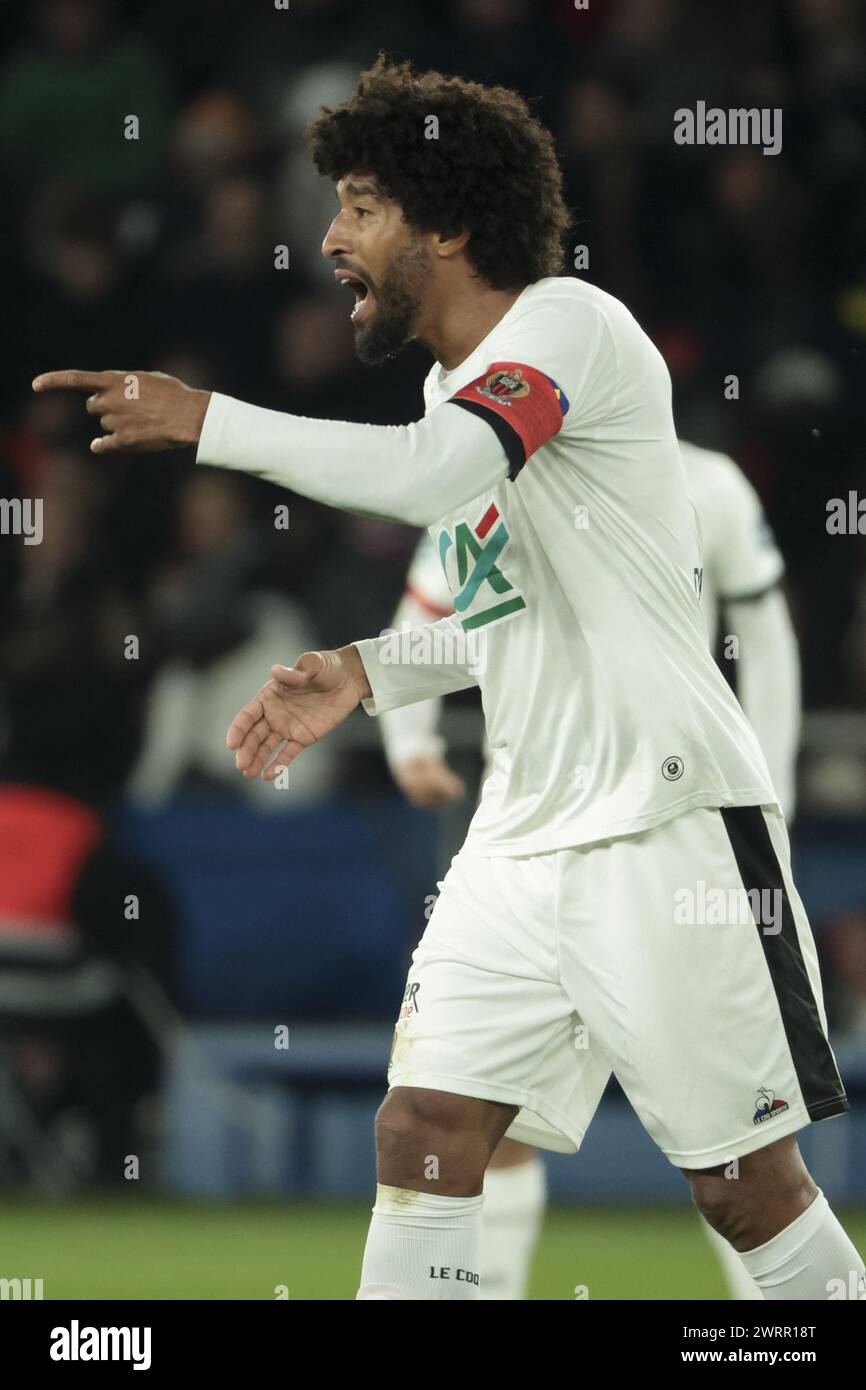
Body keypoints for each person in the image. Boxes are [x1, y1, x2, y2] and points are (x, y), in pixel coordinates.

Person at [34, 56, 862, 1302]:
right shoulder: (452, 387)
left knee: (744, 1191)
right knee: (424, 1131)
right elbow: (504, 615)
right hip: (518, 840)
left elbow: (425, 478)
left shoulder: (569, 329)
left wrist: (208, 419)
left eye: (360, 206)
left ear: (450, 225)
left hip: (667, 822)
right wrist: (370, 671)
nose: (329, 240)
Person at [379, 438, 802, 1299]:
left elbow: (764, 633)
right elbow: (436, 615)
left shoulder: (704, 482)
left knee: (739, 1158)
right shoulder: (479, 481)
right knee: (465, 1118)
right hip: (526, 846)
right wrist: (409, 741)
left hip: (679, 843)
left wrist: (771, 788)